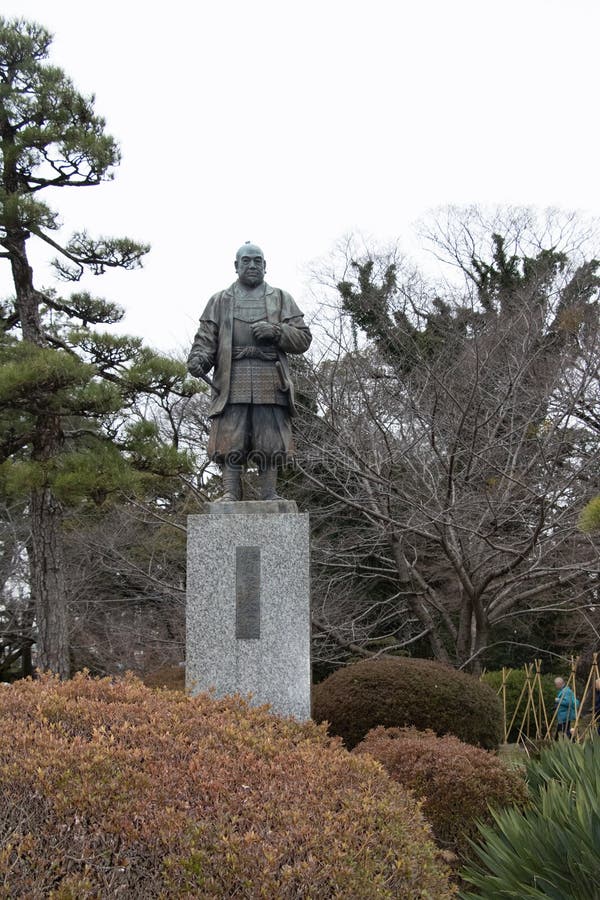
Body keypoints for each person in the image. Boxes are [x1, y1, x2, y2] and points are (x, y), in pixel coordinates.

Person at [187, 243, 312, 501]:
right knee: (230, 437)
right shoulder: (219, 301)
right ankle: (230, 492)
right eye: (246, 261)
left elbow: (303, 339)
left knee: (270, 438)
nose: (252, 265)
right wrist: (199, 359)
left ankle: (269, 493)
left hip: (270, 377)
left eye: (257, 261)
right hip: (232, 378)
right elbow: (206, 340)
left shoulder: (281, 298)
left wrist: (276, 331)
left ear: (265, 266)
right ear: (236, 266)